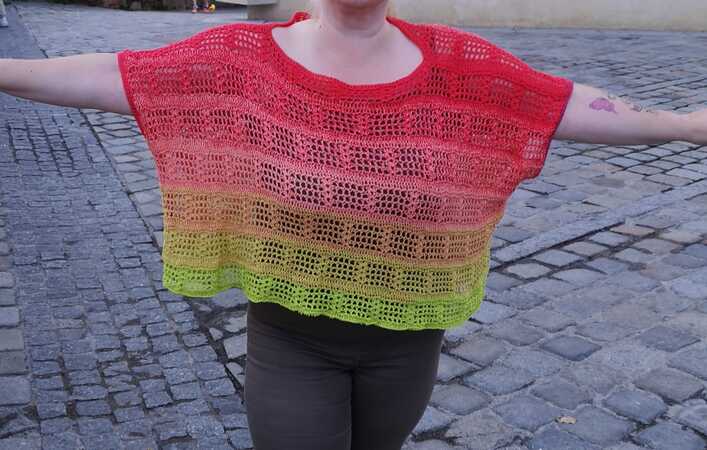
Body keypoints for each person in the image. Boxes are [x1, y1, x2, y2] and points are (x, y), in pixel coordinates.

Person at [1, 1, 706, 449]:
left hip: (410, 344)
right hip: (292, 341)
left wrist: (686, 125)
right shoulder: (240, 60)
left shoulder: (461, 67)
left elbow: (562, 104)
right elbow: (114, 76)